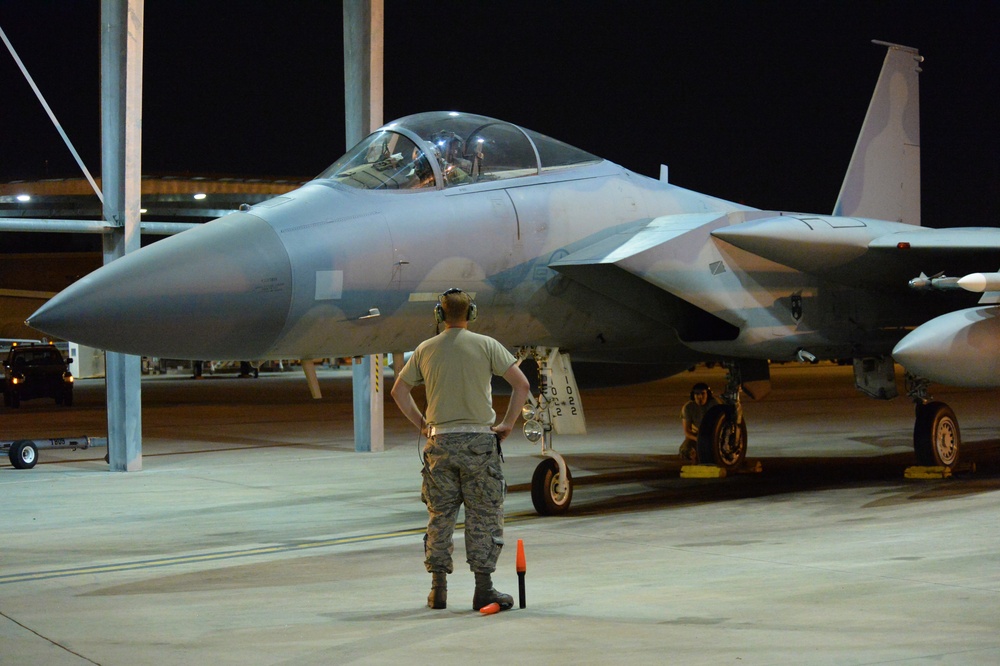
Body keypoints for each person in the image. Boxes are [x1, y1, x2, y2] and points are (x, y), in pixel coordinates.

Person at [391, 288, 530, 611]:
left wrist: (423, 424)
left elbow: (399, 391)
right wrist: (508, 423)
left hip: (440, 443)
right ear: (472, 314)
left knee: (440, 517)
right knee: (483, 516)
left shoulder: (425, 349)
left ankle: (438, 590)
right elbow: (521, 384)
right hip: (480, 443)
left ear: (439, 316)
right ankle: (484, 589)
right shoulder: (487, 345)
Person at [679, 382, 720, 462]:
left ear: (708, 395)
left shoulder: (714, 404)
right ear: (693, 396)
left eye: (703, 393)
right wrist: (698, 439)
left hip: (713, 434)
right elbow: (687, 431)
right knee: (685, 450)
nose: (700, 397)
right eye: (697, 394)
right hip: (697, 435)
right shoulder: (688, 408)